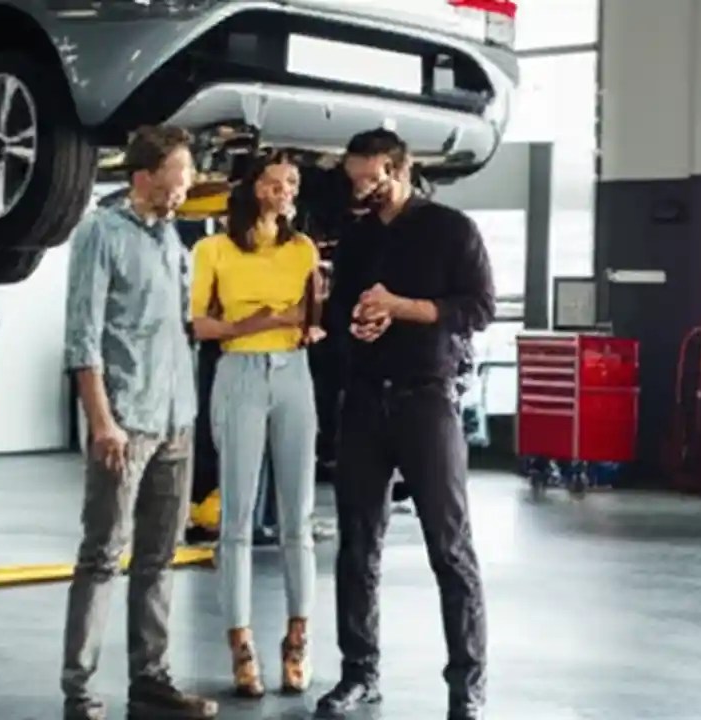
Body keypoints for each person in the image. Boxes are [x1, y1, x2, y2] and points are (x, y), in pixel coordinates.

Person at [316, 129, 495, 720]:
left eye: (369, 177)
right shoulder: (358, 236)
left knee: (450, 548)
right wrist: (358, 323)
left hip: (428, 402)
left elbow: (479, 309)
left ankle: (466, 686)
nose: (359, 188)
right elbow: (340, 308)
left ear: (398, 168)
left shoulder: (451, 230)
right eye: (353, 178)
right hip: (364, 402)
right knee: (357, 545)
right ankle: (359, 674)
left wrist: (404, 308)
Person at [60, 126, 218, 720]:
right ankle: (78, 690)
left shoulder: (171, 240)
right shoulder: (101, 233)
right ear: (143, 176)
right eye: (178, 178)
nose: (185, 190)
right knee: (103, 555)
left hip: (177, 419)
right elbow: (82, 336)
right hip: (125, 424)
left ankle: (150, 678)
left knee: (158, 557)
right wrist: (102, 420)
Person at [189, 152, 323, 697]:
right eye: (274, 184)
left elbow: (313, 314)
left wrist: (309, 325)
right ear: (251, 189)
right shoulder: (212, 249)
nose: (285, 192)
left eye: (291, 183)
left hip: (295, 372)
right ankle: (241, 645)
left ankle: (298, 639)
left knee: (300, 518)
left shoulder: (303, 247)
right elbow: (200, 324)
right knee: (236, 521)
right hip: (239, 370)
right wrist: (263, 320)